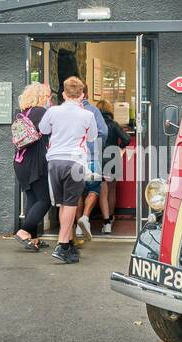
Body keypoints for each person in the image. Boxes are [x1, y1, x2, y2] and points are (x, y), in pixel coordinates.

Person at [38, 77, 95, 265]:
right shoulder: (87, 115)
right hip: (74, 161)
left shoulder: (53, 111)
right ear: (82, 95)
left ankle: (68, 242)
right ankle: (62, 245)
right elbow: (93, 136)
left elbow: (43, 129)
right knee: (70, 204)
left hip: (54, 160)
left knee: (63, 204)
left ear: (63, 94)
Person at [13, 82, 51, 252]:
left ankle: (33, 239)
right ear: (41, 97)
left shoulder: (22, 113)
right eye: (47, 96)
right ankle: (24, 231)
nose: (49, 99)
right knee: (45, 200)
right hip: (35, 162)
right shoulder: (41, 112)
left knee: (33, 198)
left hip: (20, 162)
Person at [74, 94, 108, 241]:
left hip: (74, 157)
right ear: (85, 94)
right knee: (94, 189)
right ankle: (85, 217)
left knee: (77, 191)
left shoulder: (65, 110)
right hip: (92, 156)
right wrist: (95, 144)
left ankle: (77, 227)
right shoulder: (93, 110)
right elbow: (104, 131)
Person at [96, 101, 130, 235]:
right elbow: (126, 139)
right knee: (112, 190)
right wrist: (119, 149)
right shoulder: (114, 124)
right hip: (113, 158)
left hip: (99, 158)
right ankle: (110, 218)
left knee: (100, 190)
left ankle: (103, 220)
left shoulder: (96, 124)